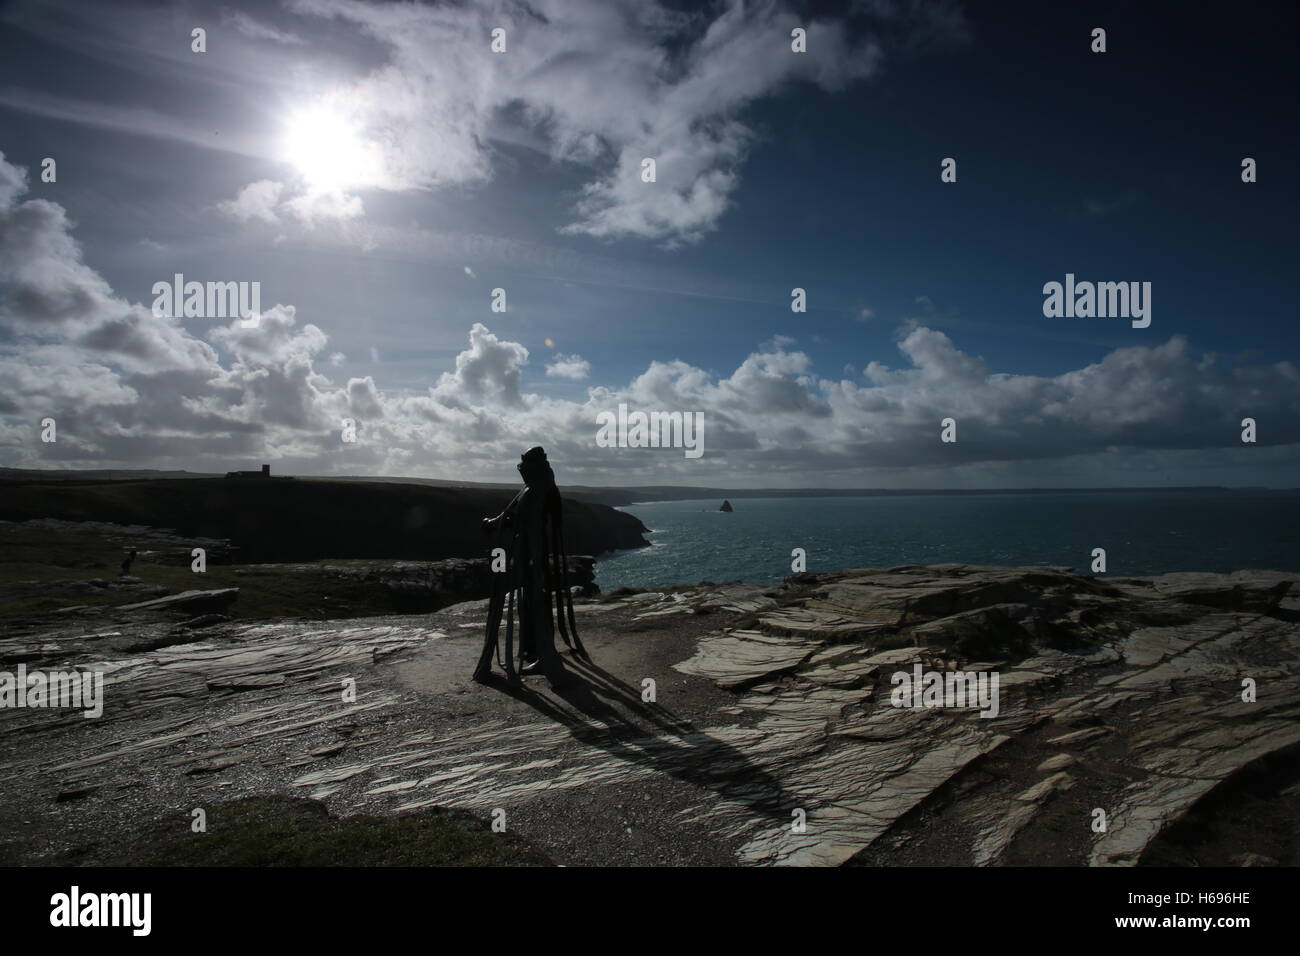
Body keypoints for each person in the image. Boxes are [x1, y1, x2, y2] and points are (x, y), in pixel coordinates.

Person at [473, 446, 589, 687]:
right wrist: (498, 522)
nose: (521, 469)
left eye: (524, 464)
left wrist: (499, 524)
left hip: (531, 556)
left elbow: (528, 521)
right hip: (527, 555)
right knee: (531, 604)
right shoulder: (534, 487)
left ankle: (546, 658)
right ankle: (539, 654)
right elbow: (517, 515)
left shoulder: (537, 489)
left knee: (535, 603)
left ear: (532, 466)